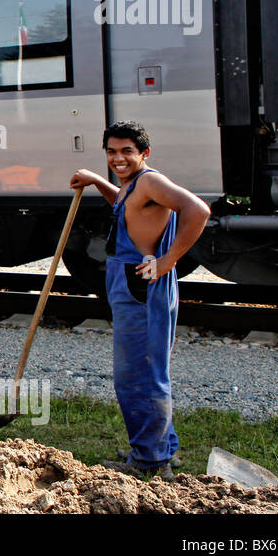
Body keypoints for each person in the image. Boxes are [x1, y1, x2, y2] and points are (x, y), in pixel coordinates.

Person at [70, 121, 209, 479]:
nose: (118, 159)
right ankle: (159, 447)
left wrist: (169, 259)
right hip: (129, 283)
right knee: (142, 372)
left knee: (138, 376)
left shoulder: (149, 181)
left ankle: (149, 460)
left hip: (141, 286)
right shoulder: (133, 186)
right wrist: (97, 181)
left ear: (144, 153)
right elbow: (125, 207)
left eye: (126, 151)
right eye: (112, 152)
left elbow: (198, 211)